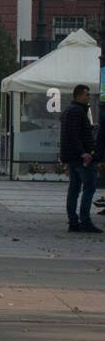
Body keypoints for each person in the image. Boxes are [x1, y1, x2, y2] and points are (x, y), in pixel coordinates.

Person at [59, 84, 99, 233]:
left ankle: (73, 222)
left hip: (71, 157)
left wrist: (89, 128)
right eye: (87, 94)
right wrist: (84, 153)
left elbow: (74, 132)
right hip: (80, 158)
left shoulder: (70, 111)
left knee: (74, 189)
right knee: (89, 187)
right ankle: (85, 221)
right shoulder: (77, 111)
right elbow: (74, 135)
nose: (88, 97)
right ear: (79, 95)